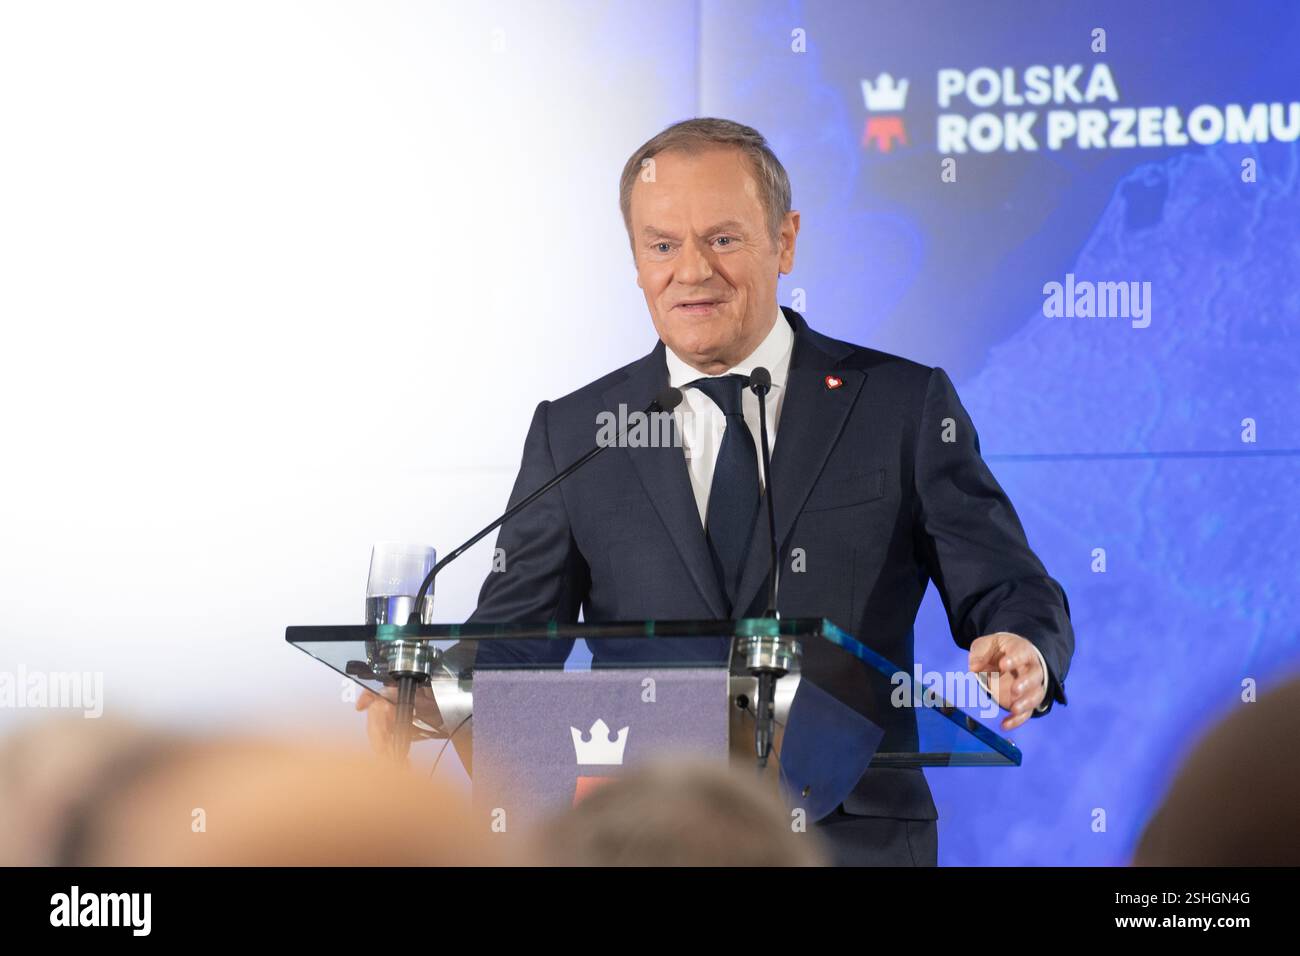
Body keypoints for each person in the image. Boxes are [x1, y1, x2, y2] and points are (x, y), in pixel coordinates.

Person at [363, 117, 1075, 866]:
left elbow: (1008, 581)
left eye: (723, 239)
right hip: (642, 838)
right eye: (662, 245)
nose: (691, 271)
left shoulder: (898, 403)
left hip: (849, 838)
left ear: (786, 239)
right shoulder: (578, 432)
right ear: (635, 260)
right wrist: (431, 699)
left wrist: (1022, 641)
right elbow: (513, 637)